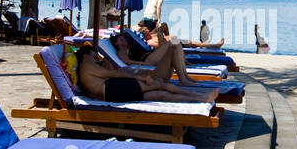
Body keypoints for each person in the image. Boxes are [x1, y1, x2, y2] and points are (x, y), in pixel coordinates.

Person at [75, 43, 217, 105]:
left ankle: (200, 97)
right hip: (115, 88)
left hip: (113, 92)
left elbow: (108, 77)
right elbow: (116, 74)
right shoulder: (87, 66)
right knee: (161, 87)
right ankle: (200, 97)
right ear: (86, 55)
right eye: (94, 56)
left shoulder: (87, 69)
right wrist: (141, 76)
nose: (96, 59)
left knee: (160, 94)